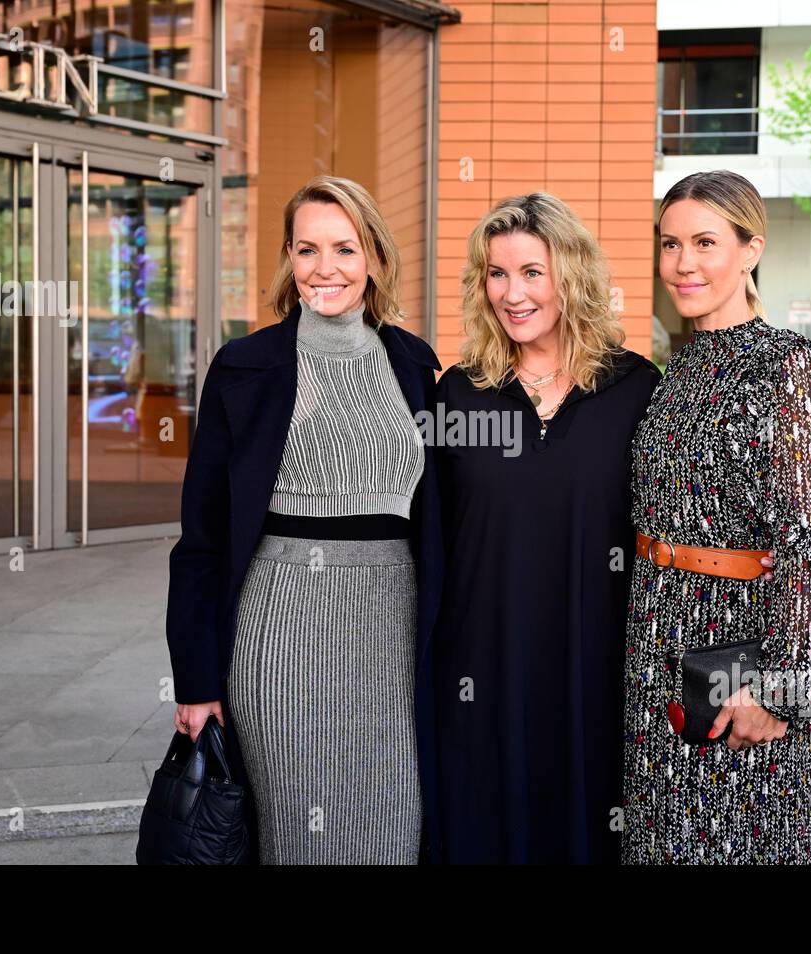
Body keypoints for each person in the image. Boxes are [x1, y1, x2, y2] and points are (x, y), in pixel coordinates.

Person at [165, 175, 444, 864]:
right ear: (289, 259)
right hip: (282, 628)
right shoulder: (245, 366)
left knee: (396, 828)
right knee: (297, 839)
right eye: (307, 249)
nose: (326, 268)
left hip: (393, 635)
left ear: (374, 258)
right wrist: (197, 682)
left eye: (345, 249)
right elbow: (201, 539)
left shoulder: (415, 363)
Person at [432, 192, 667, 863]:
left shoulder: (635, 390)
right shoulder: (458, 392)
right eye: (497, 274)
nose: (513, 293)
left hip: (594, 667)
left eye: (532, 272)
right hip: (480, 669)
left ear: (570, 276)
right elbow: (434, 536)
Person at [621, 169, 811, 864]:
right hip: (655, 641)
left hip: (735, 658)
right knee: (663, 841)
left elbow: (805, 541)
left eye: (705, 242)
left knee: (733, 842)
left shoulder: (786, 367)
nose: (683, 263)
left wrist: (782, 689)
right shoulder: (677, 369)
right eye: (670, 244)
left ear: (750, 250)